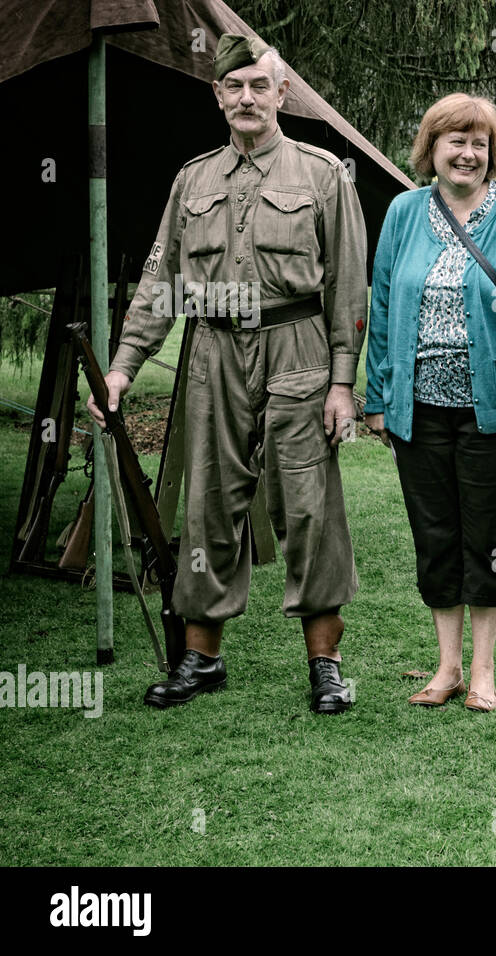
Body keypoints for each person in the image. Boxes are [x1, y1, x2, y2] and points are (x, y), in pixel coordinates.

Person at [88, 34, 366, 715]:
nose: (246, 97)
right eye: (233, 86)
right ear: (217, 96)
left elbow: (350, 291)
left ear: (281, 95)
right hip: (212, 352)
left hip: (295, 345)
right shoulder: (193, 180)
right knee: (207, 502)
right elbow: (161, 285)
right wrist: (123, 369)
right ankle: (201, 659)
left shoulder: (323, 173)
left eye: (258, 86)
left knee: (309, 507)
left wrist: (340, 384)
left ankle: (325, 665)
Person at [363, 94, 496, 714]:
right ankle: (446, 668)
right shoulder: (403, 211)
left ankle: (484, 672)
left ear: (492, 152)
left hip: (491, 409)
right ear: (432, 148)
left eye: (479, 143)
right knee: (436, 535)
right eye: (455, 140)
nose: (467, 153)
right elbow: (385, 306)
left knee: (487, 535)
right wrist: (378, 396)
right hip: (418, 409)